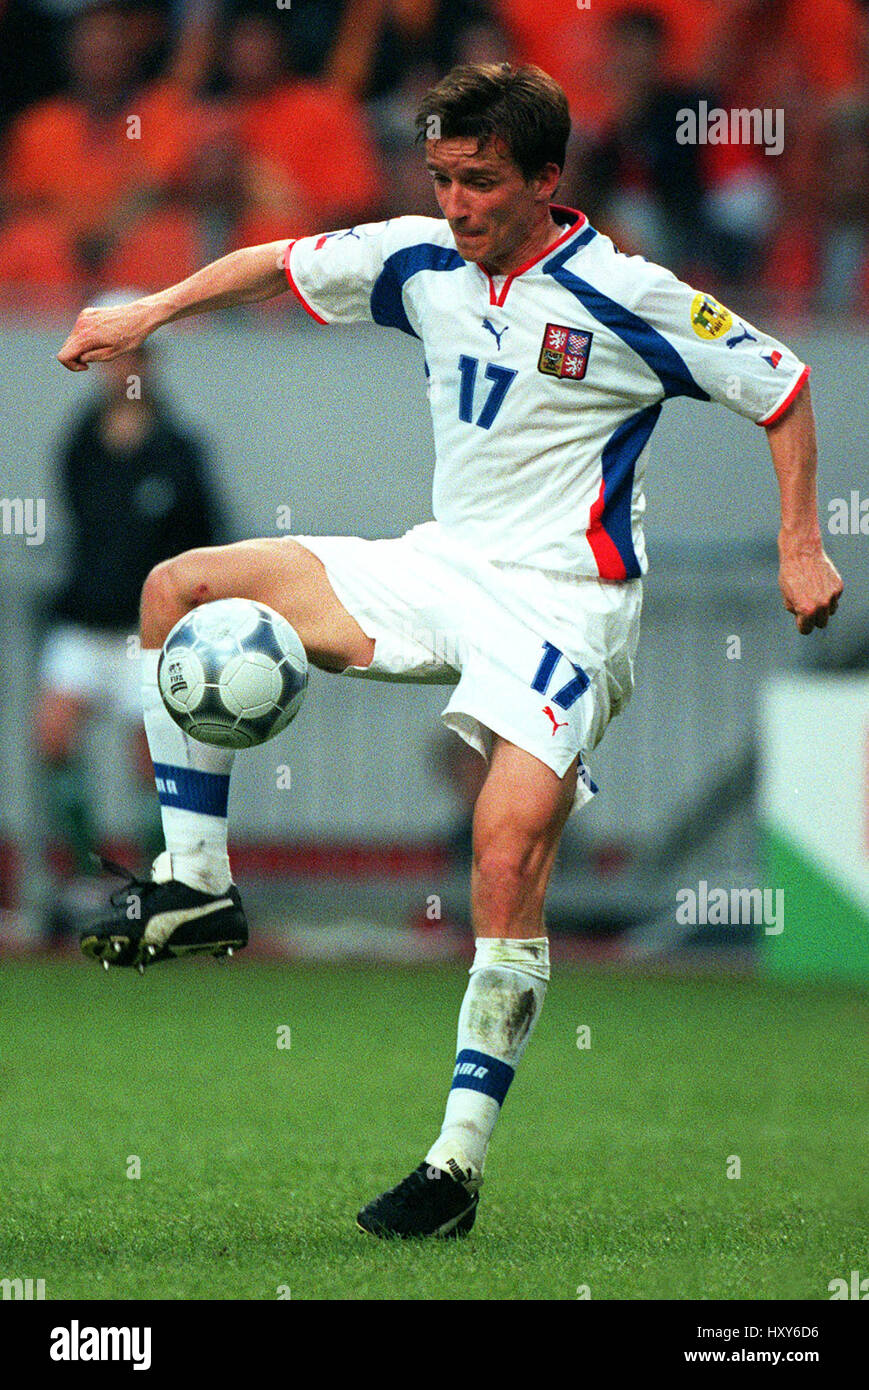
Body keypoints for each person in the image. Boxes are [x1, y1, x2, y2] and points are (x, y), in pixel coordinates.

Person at [57, 62, 842, 1240]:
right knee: (179, 586)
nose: (458, 203)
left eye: (479, 182)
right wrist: (147, 311)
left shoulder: (623, 292)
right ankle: (199, 883)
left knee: (501, 849)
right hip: (441, 566)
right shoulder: (420, 258)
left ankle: (454, 1167)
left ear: (541, 178)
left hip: (566, 605)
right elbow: (275, 262)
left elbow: (778, 387)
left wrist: (798, 547)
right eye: (441, 178)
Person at [37, 292, 226, 942]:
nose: (126, 369)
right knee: (54, 736)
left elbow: (208, 539)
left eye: (136, 353)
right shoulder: (81, 443)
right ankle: (87, 872)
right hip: (85, 623)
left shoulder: (180, 449)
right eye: (114, 357)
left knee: (147, 760)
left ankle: (151, 880)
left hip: (146, 631)